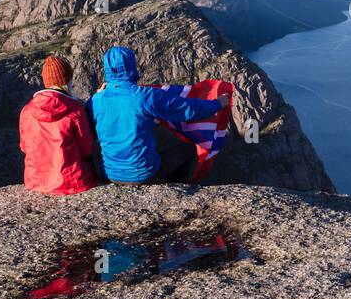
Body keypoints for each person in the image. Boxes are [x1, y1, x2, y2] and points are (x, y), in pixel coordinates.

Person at [88, 46, 230, 185]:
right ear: (131, 66)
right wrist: (218, 103)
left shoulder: (96, 100)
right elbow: (187, 109)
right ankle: (174, 188)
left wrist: (97, 94)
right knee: (188, 150)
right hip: (142, 175)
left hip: (108, 173)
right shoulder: (144, 96)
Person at [18, 55, 99, 195]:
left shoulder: (27, 111)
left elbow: (25, 147)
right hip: (70, 182)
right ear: (68, 79)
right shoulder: (75, 109)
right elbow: (87, 149)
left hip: (36, 181)